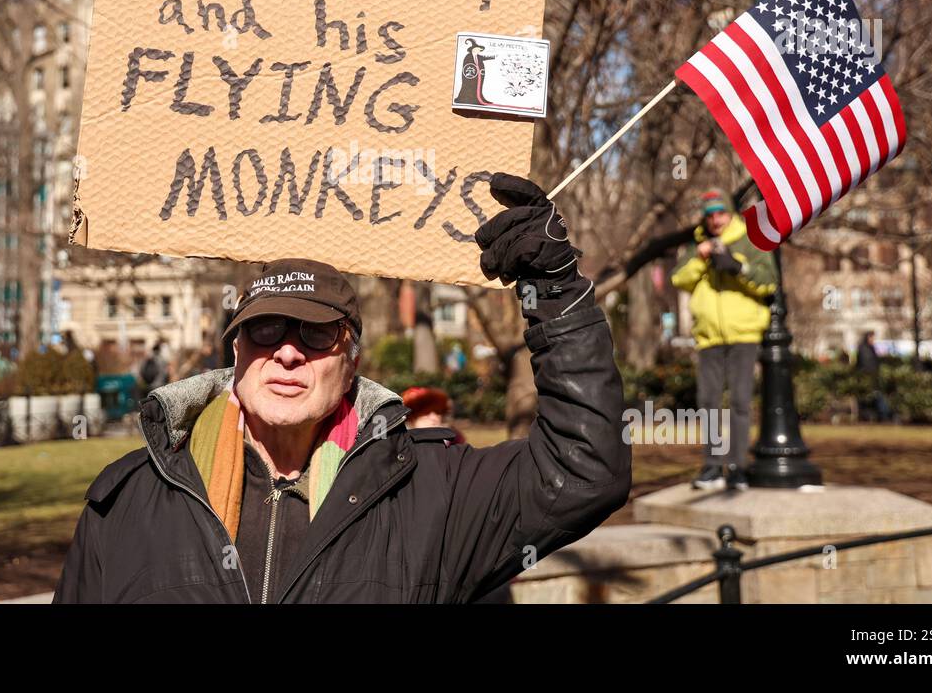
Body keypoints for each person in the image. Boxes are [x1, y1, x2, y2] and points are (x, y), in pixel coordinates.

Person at [55, 173, 631, 604]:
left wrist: (554, 290)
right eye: (264, 329)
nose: (286, 350)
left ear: (352, 363)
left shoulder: (431, 493)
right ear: (235, 353)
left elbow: (583, 471)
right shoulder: (129, 500)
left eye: (314, 333)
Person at [671, 189, 776, 491]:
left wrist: (737, 266)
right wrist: (702, 259)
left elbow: (768, 282)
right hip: (708, 338)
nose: (715, 219)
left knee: (740, 402)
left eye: (720, 213)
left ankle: (738, 467)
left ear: (730, 213)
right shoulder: (697, 243)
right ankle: (713, 467)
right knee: (709, 404)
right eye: (710, 214)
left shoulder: (750, 239)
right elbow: (679, 279)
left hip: (744, 333)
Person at [402, 386, 466, 445]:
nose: (434, 418)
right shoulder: (400, 445)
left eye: (438, 412)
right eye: (426, 413)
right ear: (412, 418)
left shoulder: (454, 441)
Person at [855, 331, 892, 422]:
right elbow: (867, 364)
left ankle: (878, 415)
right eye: (872, 338)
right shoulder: (865, 349)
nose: (873, 340)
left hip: (870, 378)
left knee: (872, 397)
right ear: (868, 337)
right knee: (876, 396)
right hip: (869, 379)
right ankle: (883, 415)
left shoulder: (869, 348)